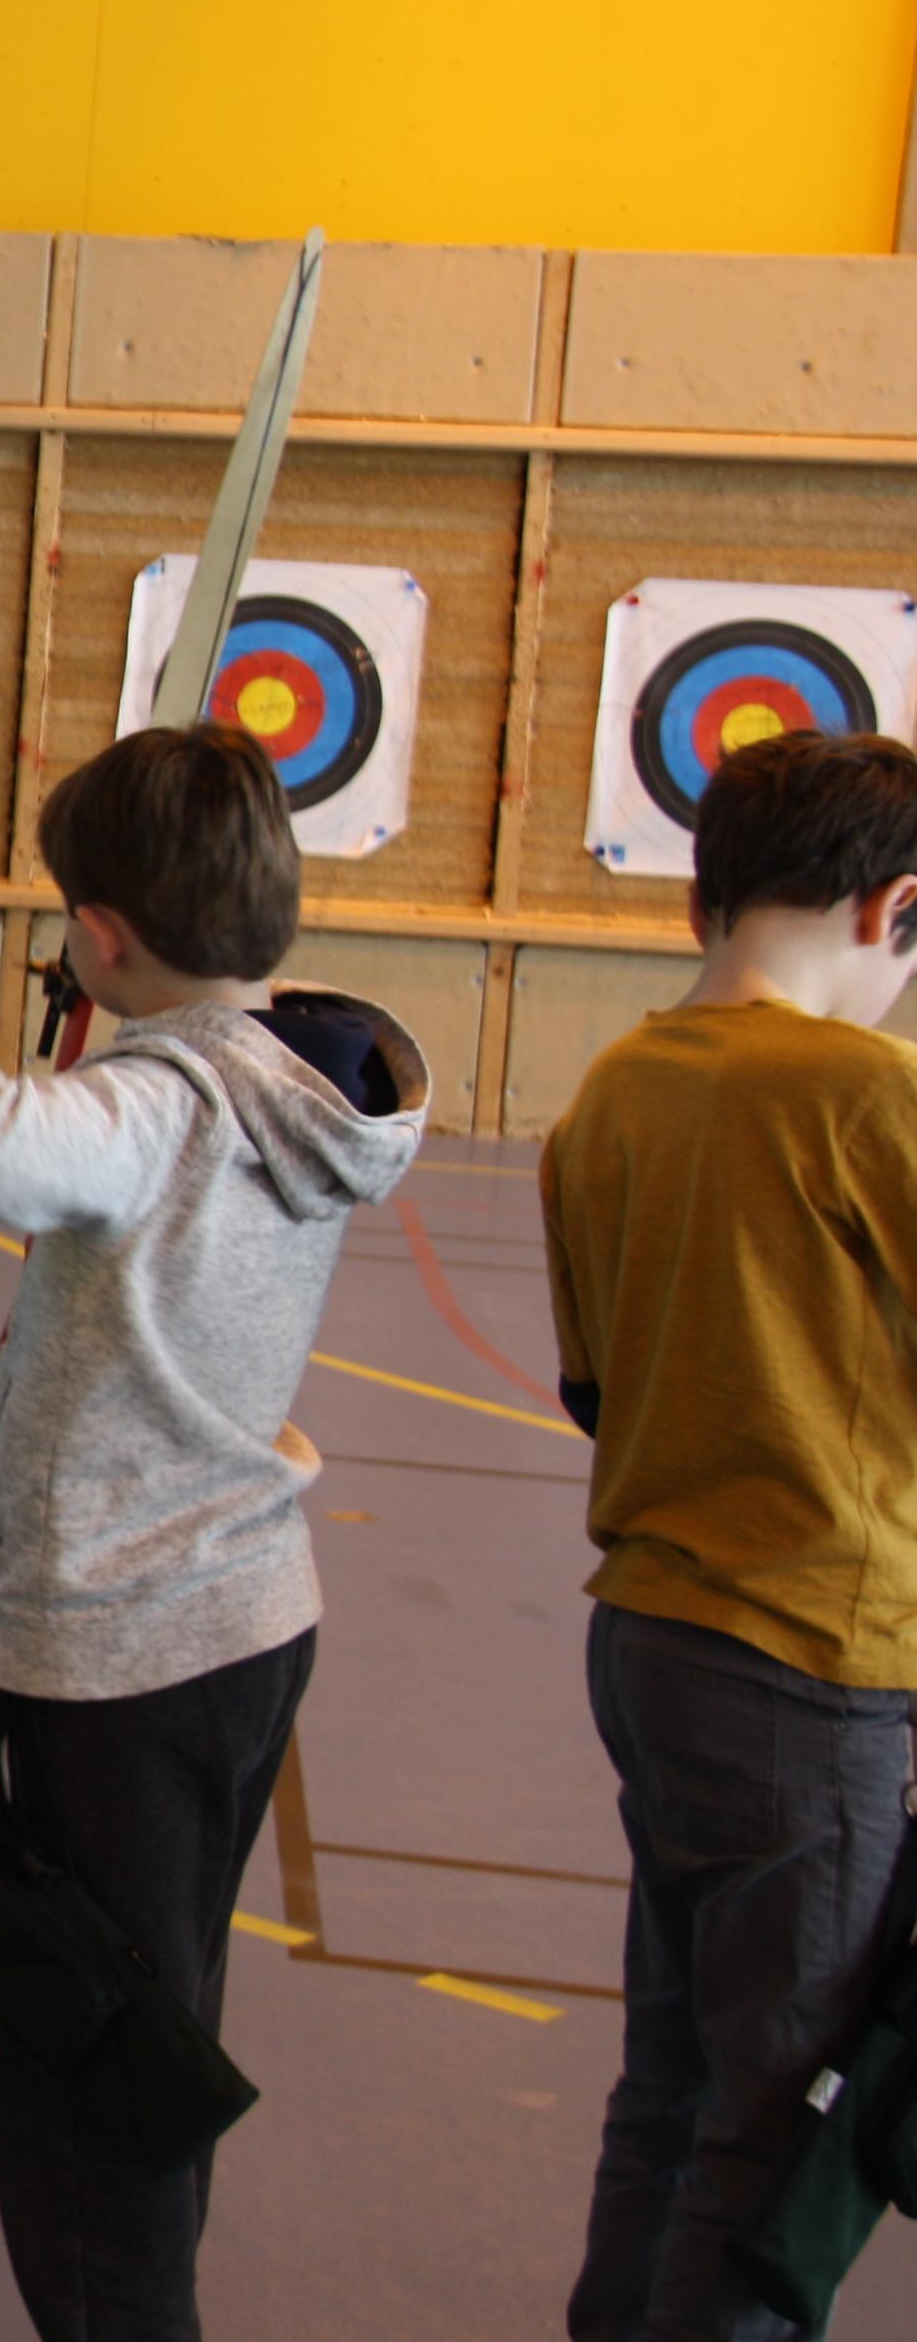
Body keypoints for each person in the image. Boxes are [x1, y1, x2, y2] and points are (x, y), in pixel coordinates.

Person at [0, 723, 423, 2341]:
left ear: (100, 937)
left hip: (128, 1654)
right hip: (240, 1621)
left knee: (91, 2059)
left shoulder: (168, 1100)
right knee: (152, 2020)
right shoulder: (293, 1077)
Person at [541, 730, 917, 2341]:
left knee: (676, 2080)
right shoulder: (860, 1092)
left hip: (656, 1643)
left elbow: (592, 1385)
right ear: (892, 908)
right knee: (774, 2131)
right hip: (813, 1664)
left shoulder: (613, 1088)